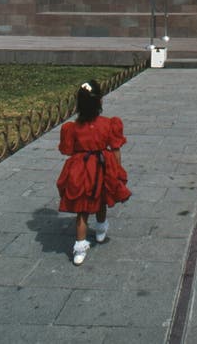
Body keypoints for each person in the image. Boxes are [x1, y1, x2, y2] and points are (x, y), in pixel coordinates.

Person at [57, 79, 131, 265]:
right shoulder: (108, 124)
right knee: (101, 200)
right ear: (100, 102)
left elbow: (67, 150)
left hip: (80, 170)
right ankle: (100, 230)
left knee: (82, 210)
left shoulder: (72, 128)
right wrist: (117, 170)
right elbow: (115, 150)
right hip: (101, 167)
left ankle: (79, 248)